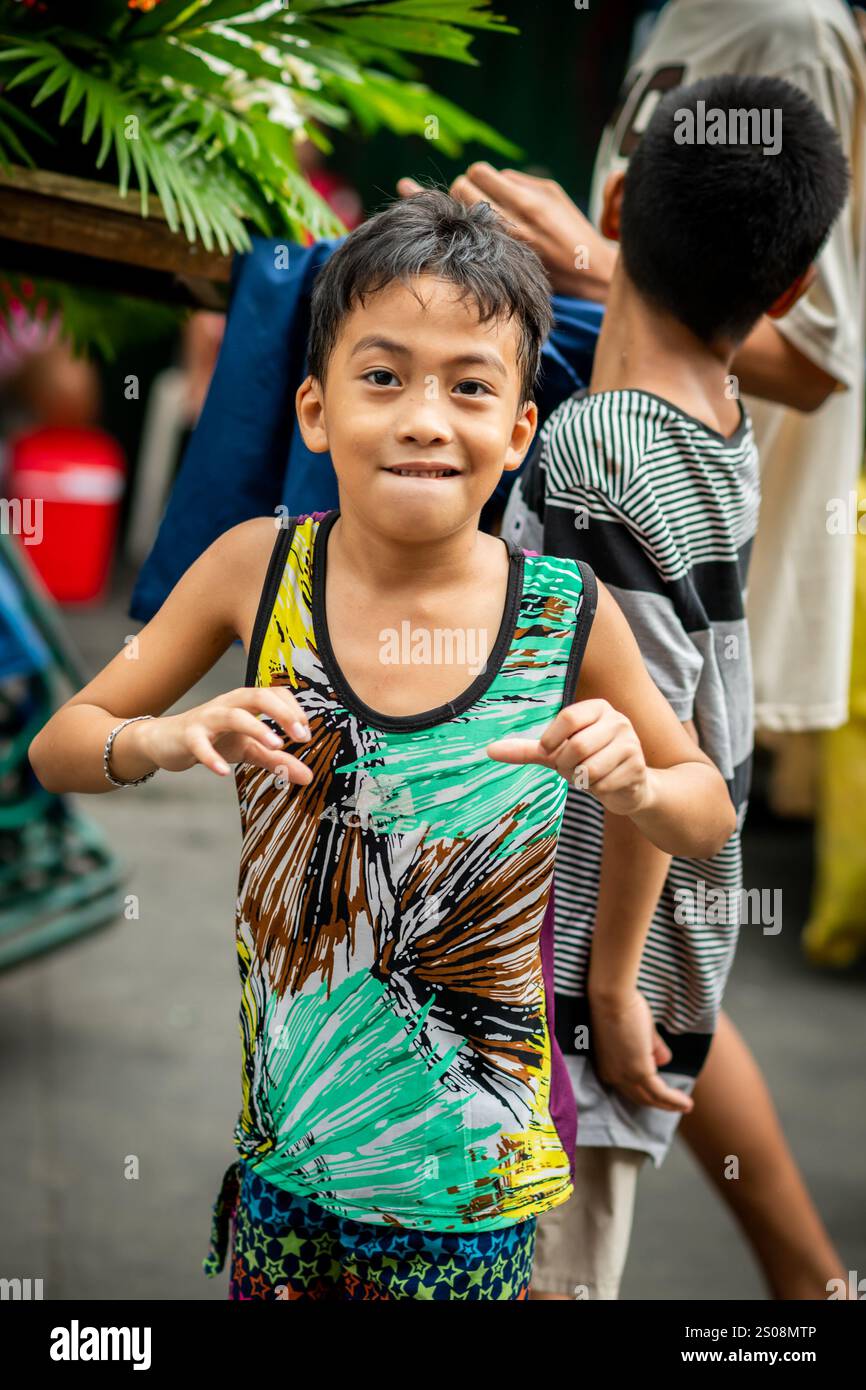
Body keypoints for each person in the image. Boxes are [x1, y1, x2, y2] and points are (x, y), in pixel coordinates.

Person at [27, 190, 737, 1302]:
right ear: (313, 409)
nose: (422, 417)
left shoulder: (563, 611)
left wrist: (640, 778)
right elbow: (61, 744)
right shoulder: (254, 569)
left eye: (468, 385)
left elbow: (706, 807)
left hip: (472, 1204)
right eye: (382, 376)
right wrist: (164, 735)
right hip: (286, 1173)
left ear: (516, 429)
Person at [415, 74, 849, 1301]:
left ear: (612, 201)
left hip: (574, 960)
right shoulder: (717, 420)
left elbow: (642, 743)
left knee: (541, 1271)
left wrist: (606, 984)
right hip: (620, 943)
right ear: (787, 294)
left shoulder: (598, 454)